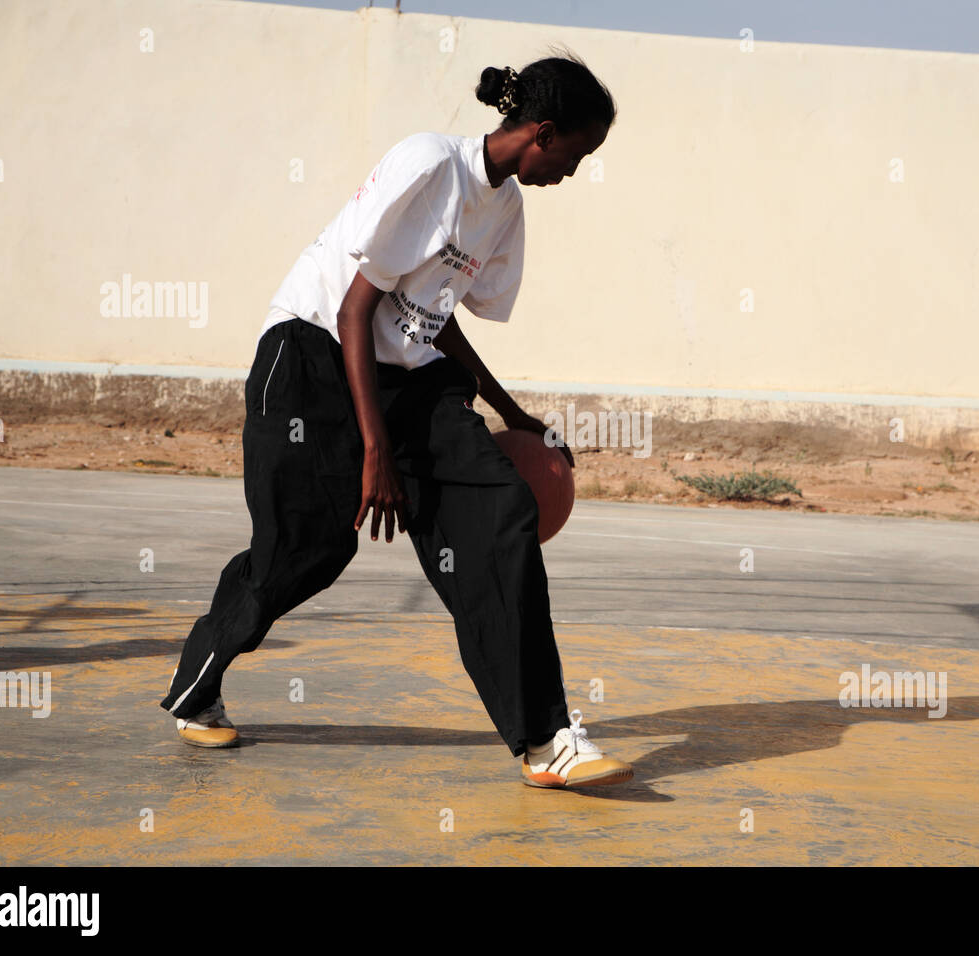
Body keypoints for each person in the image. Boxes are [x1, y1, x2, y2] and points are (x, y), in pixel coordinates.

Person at [159, 53, 632, 789]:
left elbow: (430, 318)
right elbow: (356, 307)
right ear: (543, 132)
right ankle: (200, 677)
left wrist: (513, 414)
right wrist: (374, 452)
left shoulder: (504, 210)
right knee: (307, 548)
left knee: (500, 510)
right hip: (313, 355)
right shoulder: (429, 164)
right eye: (577, 153)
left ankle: (546, 740)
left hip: (408, 370)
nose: (575, 171)